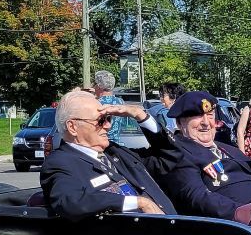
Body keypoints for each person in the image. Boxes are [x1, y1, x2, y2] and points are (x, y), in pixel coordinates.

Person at [40, 89, 180, 221]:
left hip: (174, 234)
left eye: (109, 119)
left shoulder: (114, 152)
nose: (108, 125)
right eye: (100, 121)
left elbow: (168, 158)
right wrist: (139, 202)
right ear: (72, 127)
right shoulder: (61, 162)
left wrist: (140, 115)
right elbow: (70, 201)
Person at [160, 91, 251, 224]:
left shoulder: (226, 147)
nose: (206, 123)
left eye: (210, 115)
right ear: (180, 123)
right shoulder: (179, 153)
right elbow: (197, 196)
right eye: (198, 116)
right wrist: (241, 212)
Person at [93, 70, 128, 145]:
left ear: (98, 86)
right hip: (118, 145)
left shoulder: (95, 103)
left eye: (95, 84)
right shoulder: (120, 102)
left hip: (101, 145)